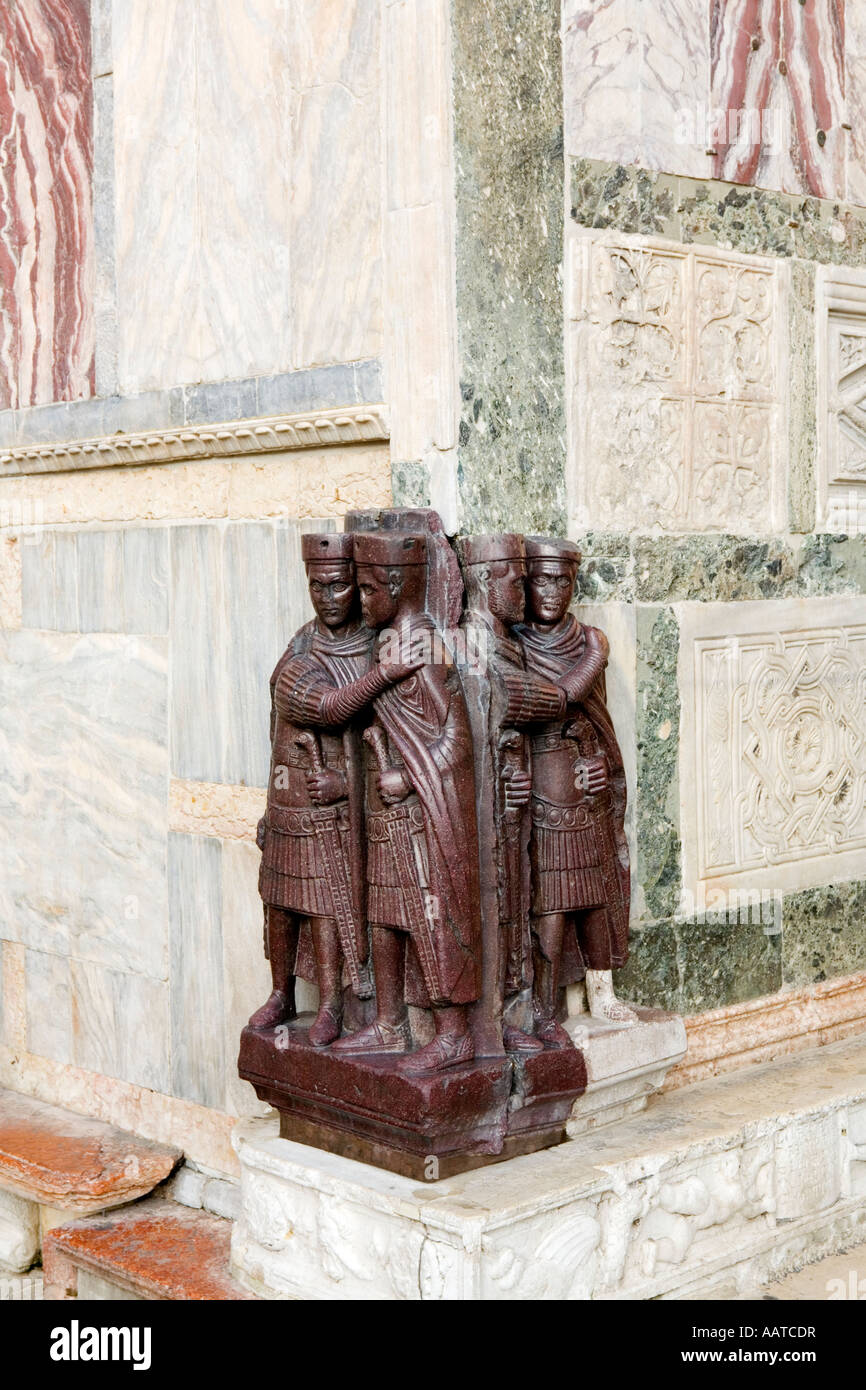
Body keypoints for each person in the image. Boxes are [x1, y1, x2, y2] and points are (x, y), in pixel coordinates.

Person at [249, 532, 415, 1045]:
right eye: (317, 586)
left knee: (326, 904)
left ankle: (333, 1005)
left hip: (343, 808)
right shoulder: (301, 645)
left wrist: (348, 781)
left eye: (339, 586)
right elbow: (312, 711)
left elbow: (392, 730)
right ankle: (281, 993)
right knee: (280, 902)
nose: (327, 597)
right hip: (291, 798)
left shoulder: (374, 643)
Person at [331, 531, 482, 1074]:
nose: (361, 600)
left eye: (369, 589)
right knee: (386, 919)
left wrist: (411, 780)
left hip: (420, 813)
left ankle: (454, 1034)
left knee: (430, 916)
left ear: (398, 586)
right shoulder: (389, 645)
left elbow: (455, 741)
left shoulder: (425, 650)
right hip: (384, 812)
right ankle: (390, 1024)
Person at [516, 536, 636, 1042]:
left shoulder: (588, 640)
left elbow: (596, 722)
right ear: (526, 582)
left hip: (583, 794)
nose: (552, 591)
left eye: (562, 581)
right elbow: (510, 719)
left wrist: (595, 765)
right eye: (541, 580)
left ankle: (601, 987)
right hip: (541, 797)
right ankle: (547, 998)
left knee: (594, 896)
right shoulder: (513, 643)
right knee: (549, 903)